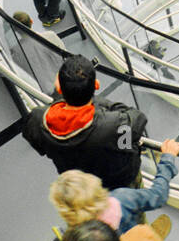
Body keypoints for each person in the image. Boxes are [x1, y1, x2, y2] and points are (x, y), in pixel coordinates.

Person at [22, 55, 148, 190]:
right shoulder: (114, 123)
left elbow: (40, 148)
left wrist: (61, 99)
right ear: (96, 85)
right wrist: (95, 100)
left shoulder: (36, 119)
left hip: (81, 189)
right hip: (121, 183)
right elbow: (138, 118)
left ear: (59, 88)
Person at [49, 139, 179, 238]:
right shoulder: (120, 199)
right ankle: (150, 237)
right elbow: (158, 195)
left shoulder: (76, 236)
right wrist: (168, 158)